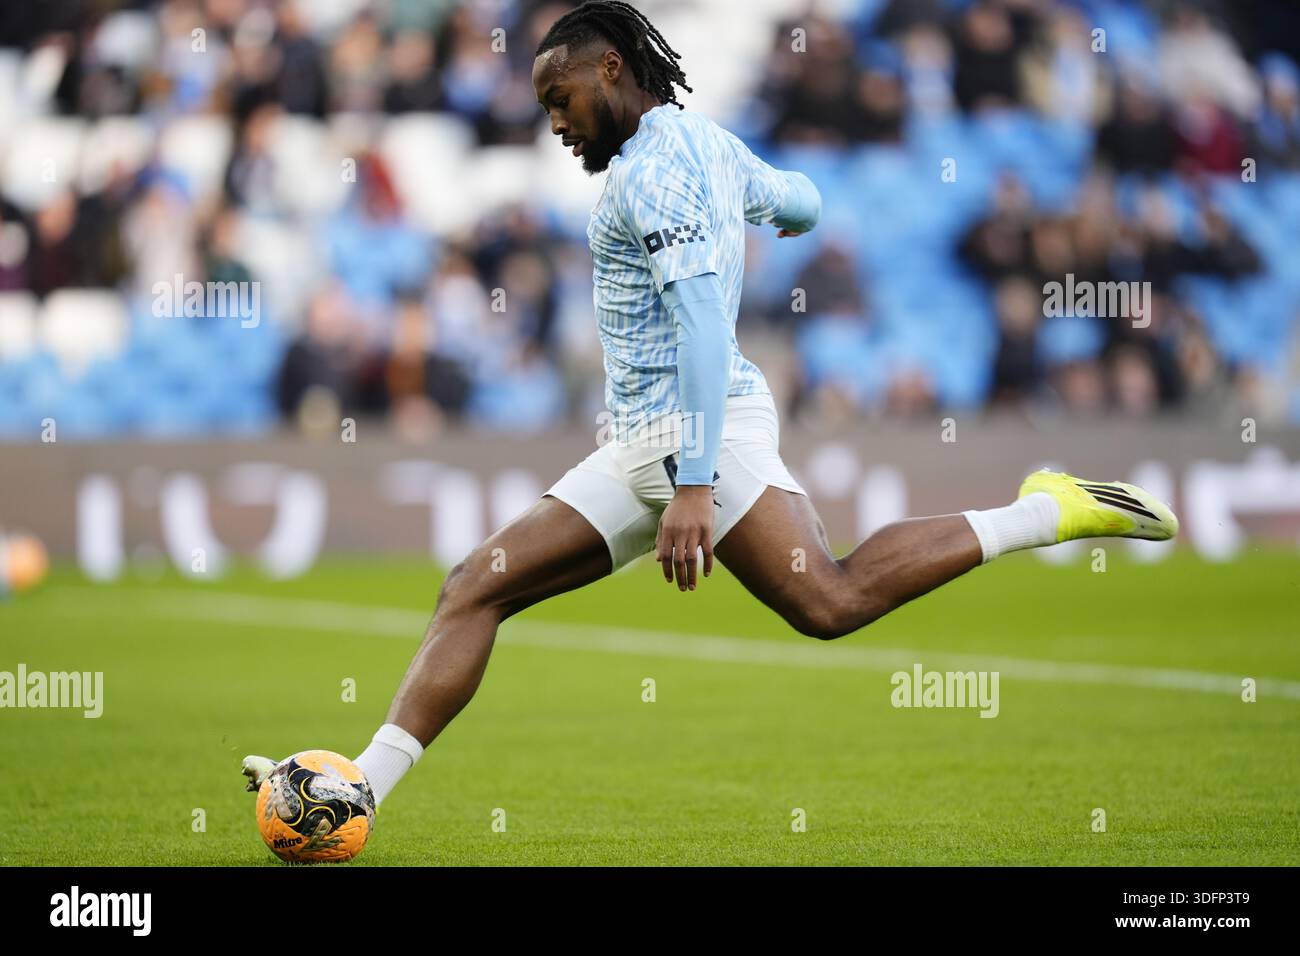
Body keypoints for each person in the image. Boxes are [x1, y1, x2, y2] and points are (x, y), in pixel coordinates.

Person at [243, 0, 1177, 816]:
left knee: (830, 600)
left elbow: (696, 325)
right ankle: (357, 787)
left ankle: (1044, 510)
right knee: (473, 586)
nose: (557, 125)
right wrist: (766, 206)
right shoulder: (706, 147)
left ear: (610, 68)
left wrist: (692, 485)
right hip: (643, 443)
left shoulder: (651, 174)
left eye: (559, 101)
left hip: (702, 433)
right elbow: (803, 201)